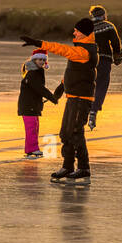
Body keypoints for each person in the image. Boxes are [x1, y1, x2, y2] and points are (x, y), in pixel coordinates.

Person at [20, 18, 98, 184]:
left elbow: (61, 49)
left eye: (77, 30)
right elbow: (74, 73)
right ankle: (68, 166)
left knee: (75, 132)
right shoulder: (80, 49)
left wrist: (39, 43)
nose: (74, 33)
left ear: (84, 32)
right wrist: (60, 89)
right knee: (65, 133)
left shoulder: (84, 51)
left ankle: (84, 167)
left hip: (81, 99)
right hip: (73, 97)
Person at [87, 4, 122, 131]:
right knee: (101, 85)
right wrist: (117, 55)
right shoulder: (108, 26)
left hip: (88, 61)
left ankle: (84, 108)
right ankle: (93, 110)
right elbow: (115, 42)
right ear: (103, 15)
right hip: (103, 60)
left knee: (89, 85)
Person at [17, 49, 60, 158]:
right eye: (39, 59)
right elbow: (39, 88)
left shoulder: (38, 71)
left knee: (35, 127)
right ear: (34, 60)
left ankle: (30, 149)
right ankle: (32, 149)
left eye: (43, 60)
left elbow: (38, 89)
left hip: (33, 105)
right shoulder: (32, 73)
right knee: (31, 128)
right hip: (28, 106)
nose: (41, 62)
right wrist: (52, 98)